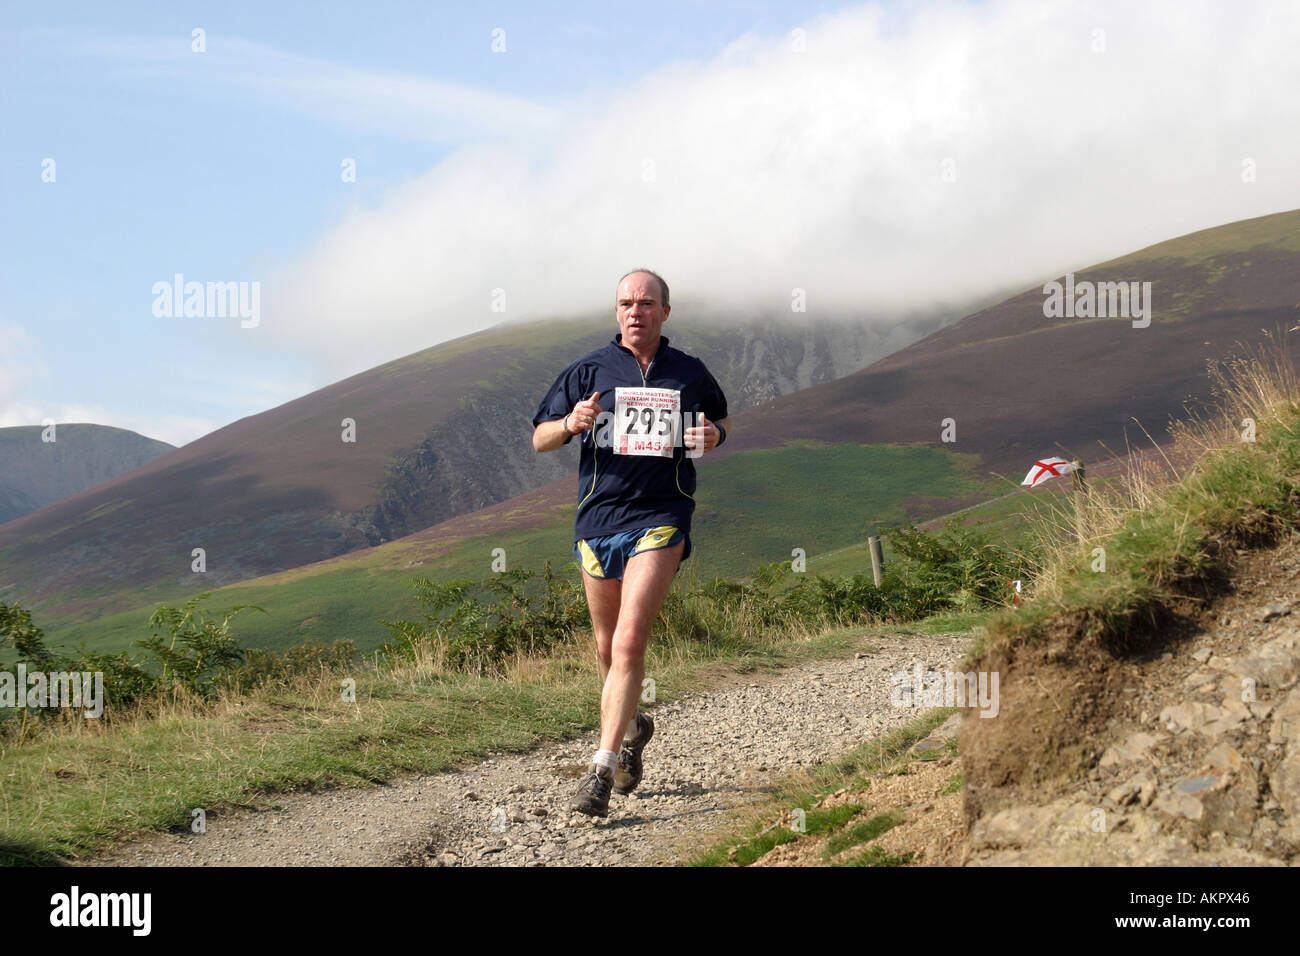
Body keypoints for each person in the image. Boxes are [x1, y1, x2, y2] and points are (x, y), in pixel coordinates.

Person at [531, 269, 731, 816]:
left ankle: (601, 767)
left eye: (646, 303)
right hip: (598, 519)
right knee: (604, 648)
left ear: (666, 311)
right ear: (616, 311)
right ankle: (635, 724)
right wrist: (571, 422)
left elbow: (720, 420)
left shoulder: (689, 372)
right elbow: (539, 437)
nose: (635, 311)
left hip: (663, 516)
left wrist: (713, 435)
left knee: (628, 643)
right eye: (626, 303)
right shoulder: (590, 369)